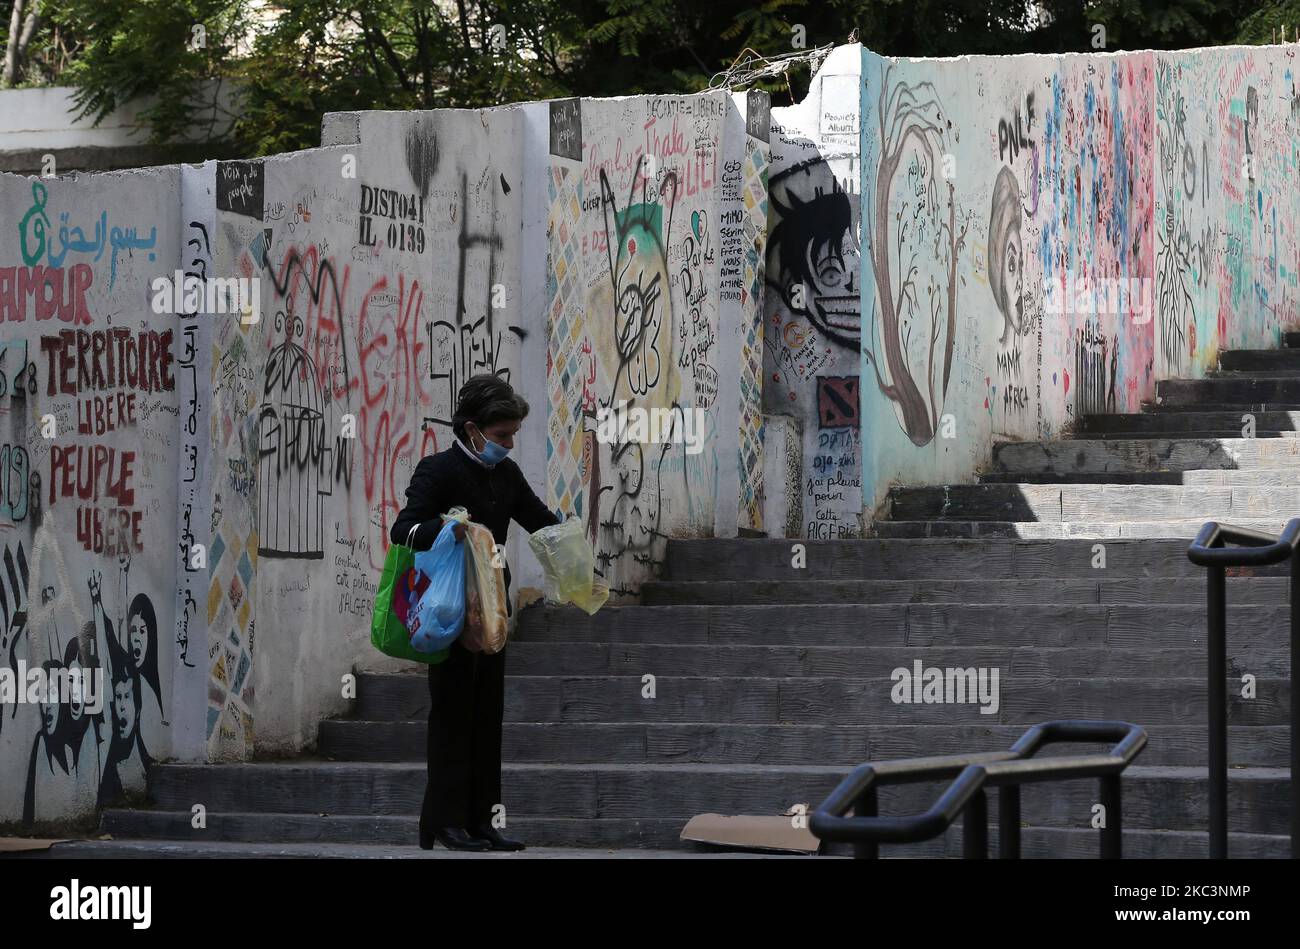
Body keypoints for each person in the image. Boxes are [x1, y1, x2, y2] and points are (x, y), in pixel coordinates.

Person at [390, 374, 558, 852]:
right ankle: (443, 822)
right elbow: (403, 530)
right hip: (446, 614)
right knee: (452, 713)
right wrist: (448, 529)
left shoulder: (505, 475)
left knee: (488, 715)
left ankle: (482, 821)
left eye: (511, 436)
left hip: (492, 614)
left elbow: (538, 520)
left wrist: (566, 537)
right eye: (501, 435)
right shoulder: (438, 470)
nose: (507, 445)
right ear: (472, 429)